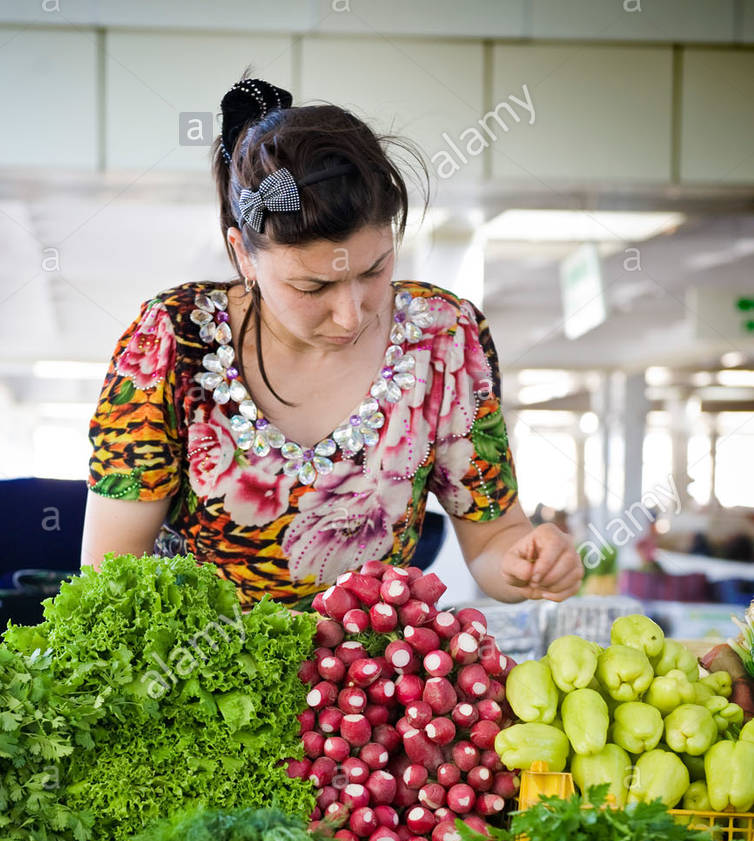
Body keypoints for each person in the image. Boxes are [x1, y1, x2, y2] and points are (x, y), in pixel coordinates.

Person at [80, 72, 583, 609]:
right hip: (198, 676)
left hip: (374, 680)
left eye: (374, 270)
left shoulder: (445, 339)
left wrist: (527, 560)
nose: (351, 315)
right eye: (312, 285)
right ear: (243, 254)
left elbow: (490, 542)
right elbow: (110, 580)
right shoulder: (173, 342)